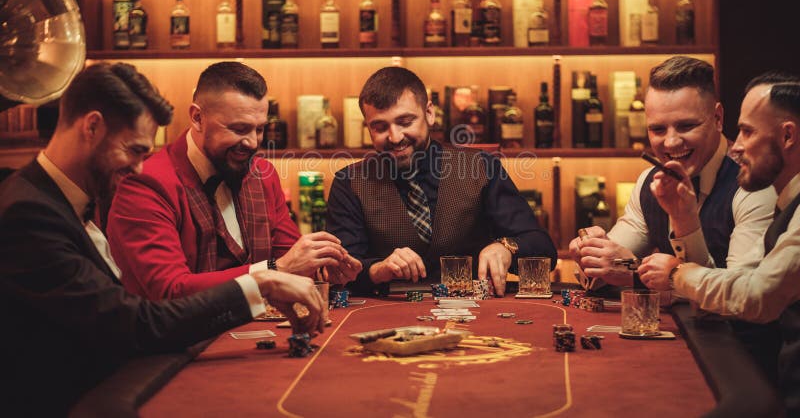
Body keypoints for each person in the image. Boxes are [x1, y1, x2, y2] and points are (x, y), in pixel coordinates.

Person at [0, 62, 326, 416]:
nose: (139, 168)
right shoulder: (28, 214)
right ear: (91, 127)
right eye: (133, 150)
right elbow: (137, 323)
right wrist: (260, 282)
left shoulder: (50, 199)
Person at [107, 61, 361, 300]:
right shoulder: (145, 184)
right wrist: (275, 270)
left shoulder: (263, 174)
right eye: (239, 129)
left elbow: (290, 257)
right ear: (197, 118)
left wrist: (323, 269)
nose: (252, 143)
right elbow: (170, 290)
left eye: (259, 129)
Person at [638, 71, 800, 415]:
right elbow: (741, 286)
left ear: (787, 136)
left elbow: (755, 297)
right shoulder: (787, 202)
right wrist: (684, 219)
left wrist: (677, 274)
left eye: (748, 132)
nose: (736, 146)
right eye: (657, 128)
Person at [325, 66, 556, 296]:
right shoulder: (349, 183)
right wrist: (378, 270)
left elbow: (543, 248)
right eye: (380, 127)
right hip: (388, 312)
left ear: (429, 113)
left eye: (405, 122)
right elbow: (339, 272)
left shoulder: (481, 167)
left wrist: (506, 248)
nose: (395, 137)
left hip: (474, 310)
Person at [569, 57, 776, 286]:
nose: (671, 142)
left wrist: (657, 275)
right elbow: (612, 266)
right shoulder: (648, 182)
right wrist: (589, 252)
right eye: (658, 129)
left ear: (717, 118)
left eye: (686, 126)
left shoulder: (753, 184)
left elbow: (740, 292)